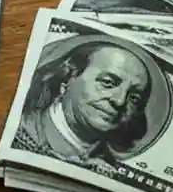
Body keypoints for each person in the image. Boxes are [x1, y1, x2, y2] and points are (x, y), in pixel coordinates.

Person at [16, 40, 151, 165]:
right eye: (108, 83)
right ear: (69, 76)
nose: (119, 101)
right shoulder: (21, 132)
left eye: (133, 97)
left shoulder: (111, 164)